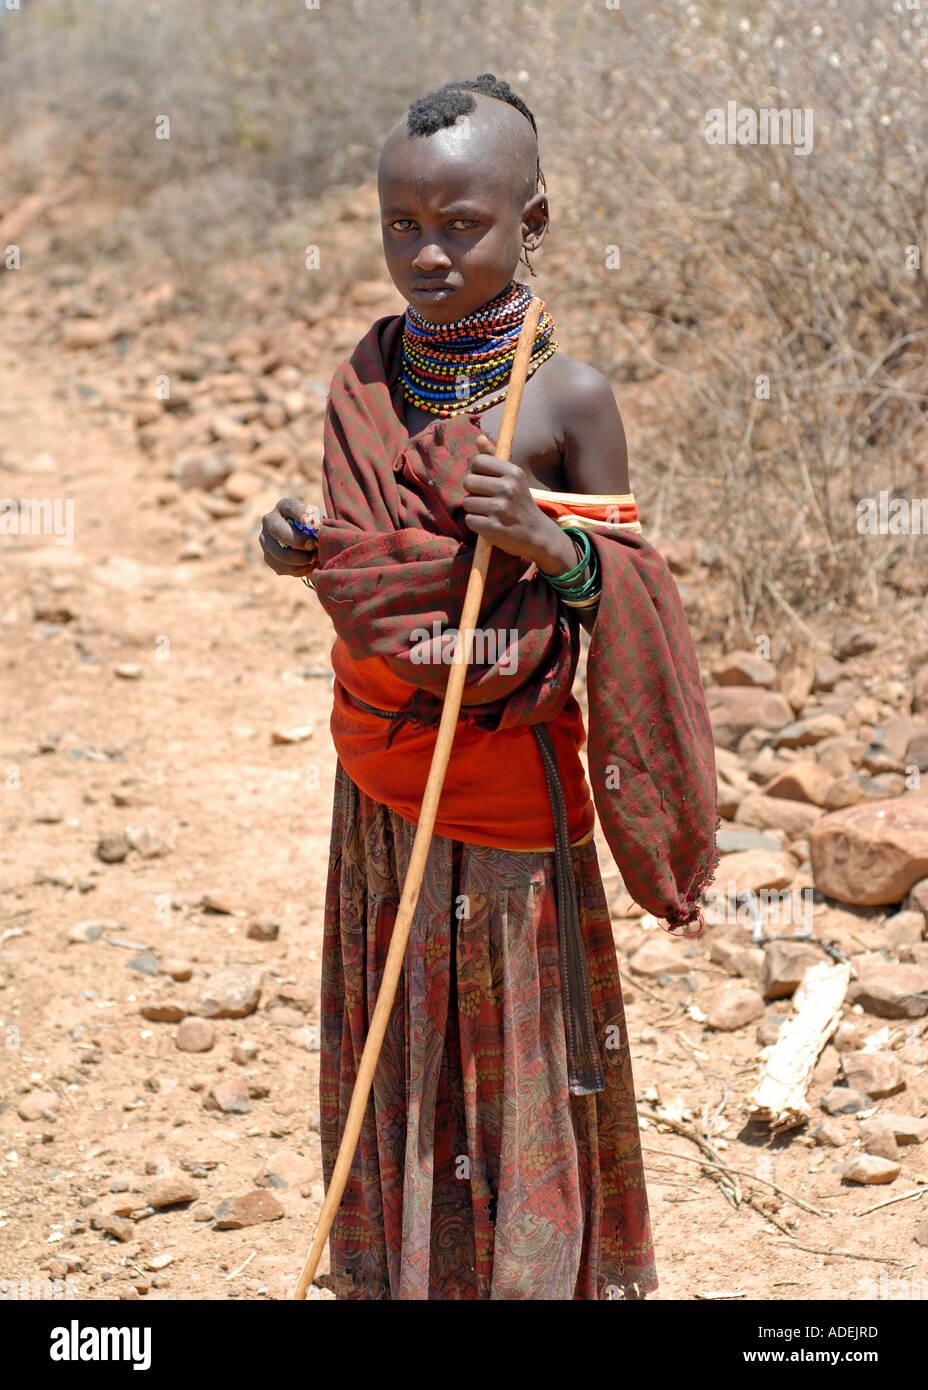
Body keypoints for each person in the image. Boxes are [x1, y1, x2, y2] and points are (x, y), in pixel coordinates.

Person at [259, 73, 719, 1300]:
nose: (427, 252)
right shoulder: (366, 378)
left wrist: (545, 540)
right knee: (400, 1039)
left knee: (516, 1049)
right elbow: (370, 573)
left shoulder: (567, 400)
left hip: (509, 793)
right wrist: (307, 545)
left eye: (461, 223)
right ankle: (402, 1271)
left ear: (534, 221)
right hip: (384, 775)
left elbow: (624, 608)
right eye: (401, 225)